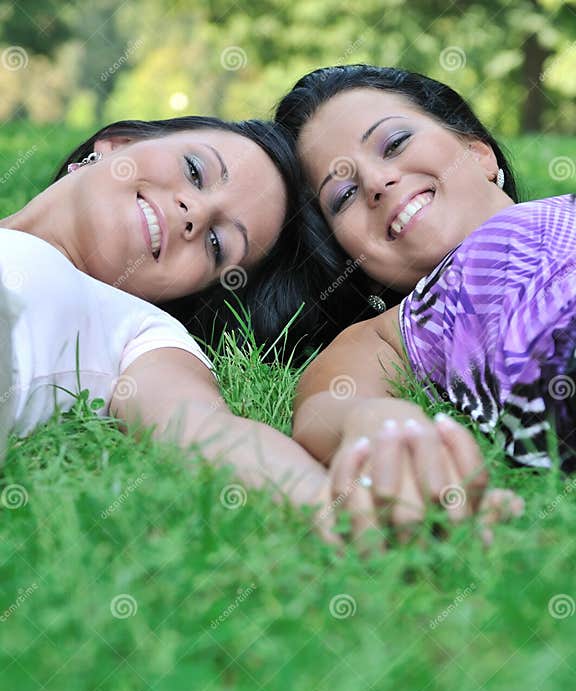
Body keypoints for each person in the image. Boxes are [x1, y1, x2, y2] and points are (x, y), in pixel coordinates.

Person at [0, 114, 341, 537]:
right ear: (118, 143)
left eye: (216, 244)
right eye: (195, 171)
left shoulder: (142, 330)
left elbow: (202, 427)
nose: (194, 213)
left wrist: (333, 508)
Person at [272, 64, 572, 530]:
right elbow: (330, 403)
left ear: (478, 153)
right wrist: (376, 424)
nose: (376, 183)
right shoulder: (407, 324)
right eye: (344, 195)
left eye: (393, 144)